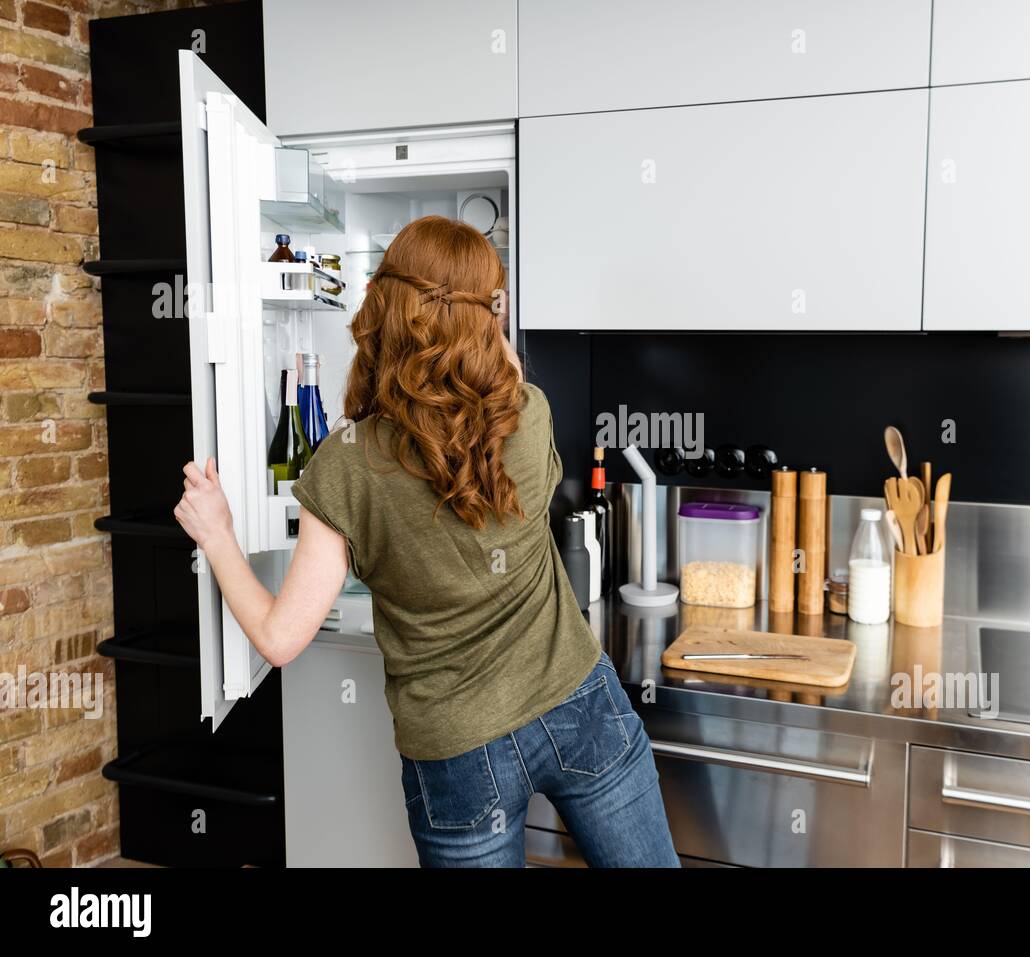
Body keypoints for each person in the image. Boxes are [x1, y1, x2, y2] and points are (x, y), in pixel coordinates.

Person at [173, 215, 678, 868]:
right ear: (485, 320)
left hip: (460, 751)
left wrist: (216, 536)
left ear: (385, 308)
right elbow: (504, 371)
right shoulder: (529, 414)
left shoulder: (345, 465)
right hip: (579, 704)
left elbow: (279, 638)